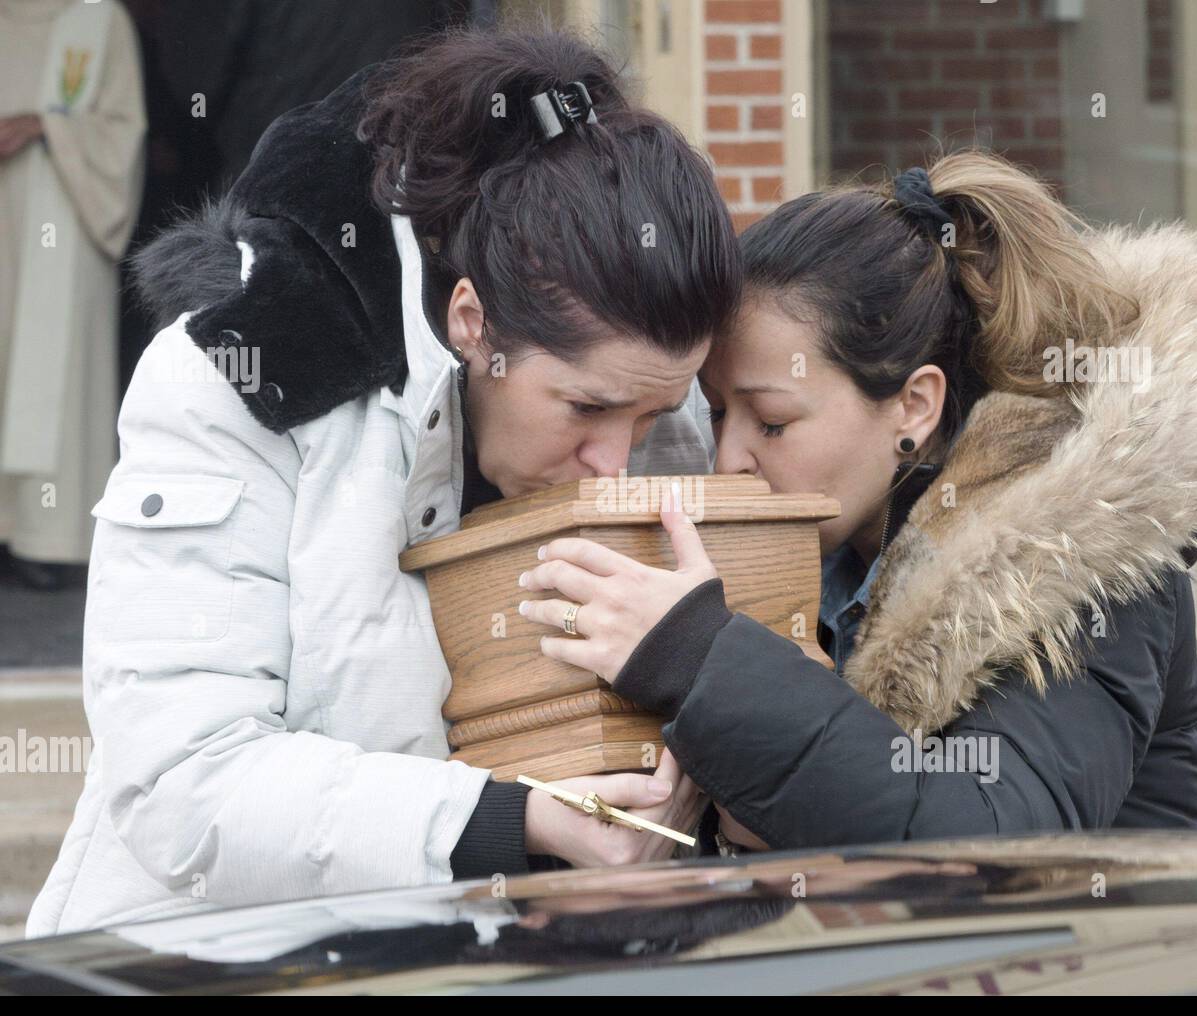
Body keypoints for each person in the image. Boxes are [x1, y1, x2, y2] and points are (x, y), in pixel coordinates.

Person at [27, 26, 737, 937]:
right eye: (585, 410)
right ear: (475, 322)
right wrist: (515, 820)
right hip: (193, 967)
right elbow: (183, 780)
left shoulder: (647, 392)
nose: (617, 464)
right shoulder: (238, 377)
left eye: (649, 418)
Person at [517, 150, 1197, 853]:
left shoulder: (1086, 557)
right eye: (718, 413)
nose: (731, 459)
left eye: (773, 420)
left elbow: (986, 842)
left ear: (913, 407)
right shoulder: (805, 557)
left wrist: (701, 659)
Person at [0, 0, 145, 588]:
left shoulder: (97, 18)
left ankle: (46, 537)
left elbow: (122, 129)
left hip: (63, 210)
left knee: (50, 368)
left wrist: (45, 125)